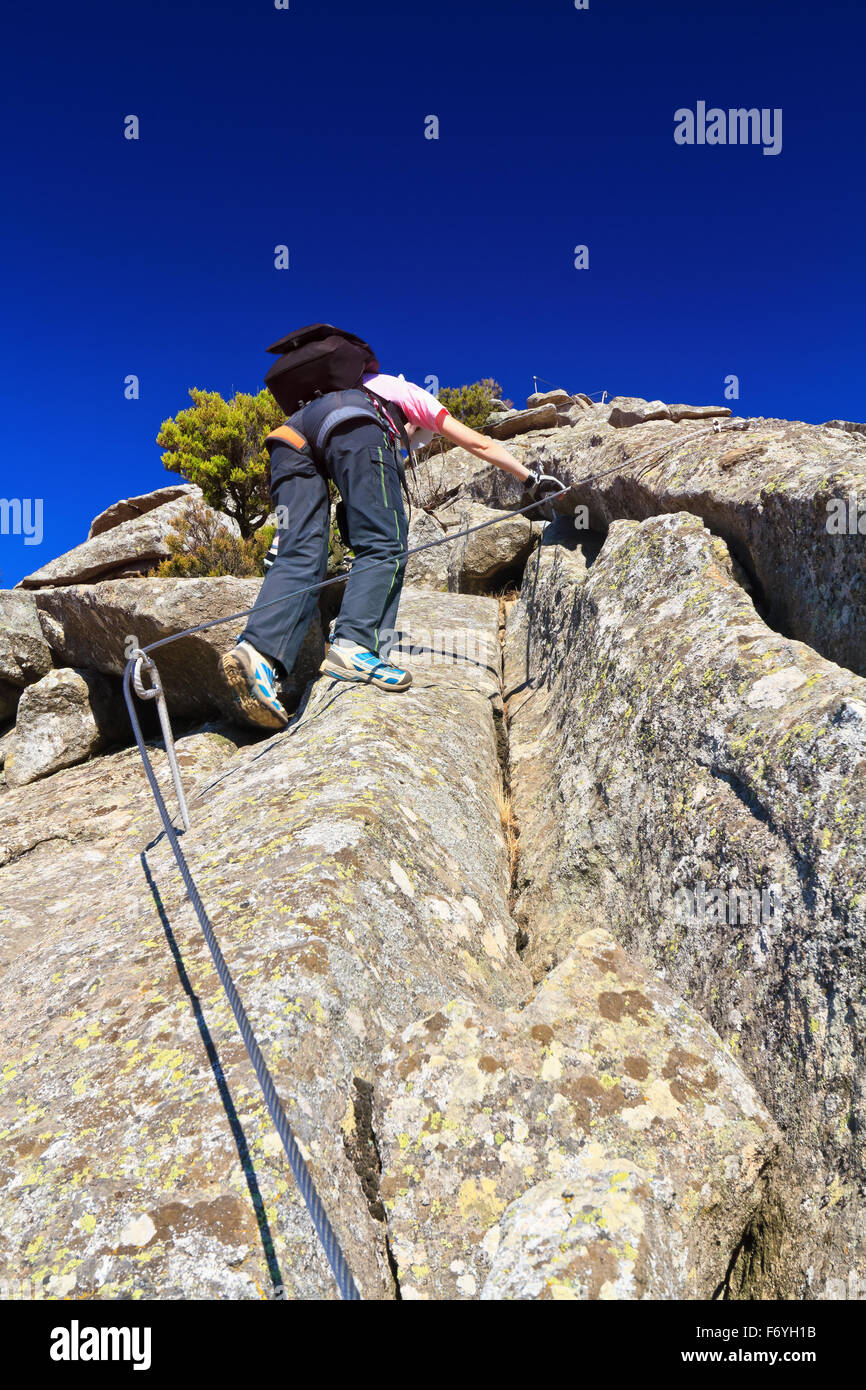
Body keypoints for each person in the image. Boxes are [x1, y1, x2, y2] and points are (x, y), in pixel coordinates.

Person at [221, 330, 563, 730]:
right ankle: (354, 646)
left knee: (299, 553)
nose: (410, 446)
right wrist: (529, 478)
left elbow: (319, 510)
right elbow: (478, 443)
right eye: (414, 442)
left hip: (288, 438)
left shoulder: (336, 389)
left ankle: (257, 654)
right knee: (384, 541)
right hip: (353, 428)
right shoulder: (405, 392)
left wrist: (285, 534)